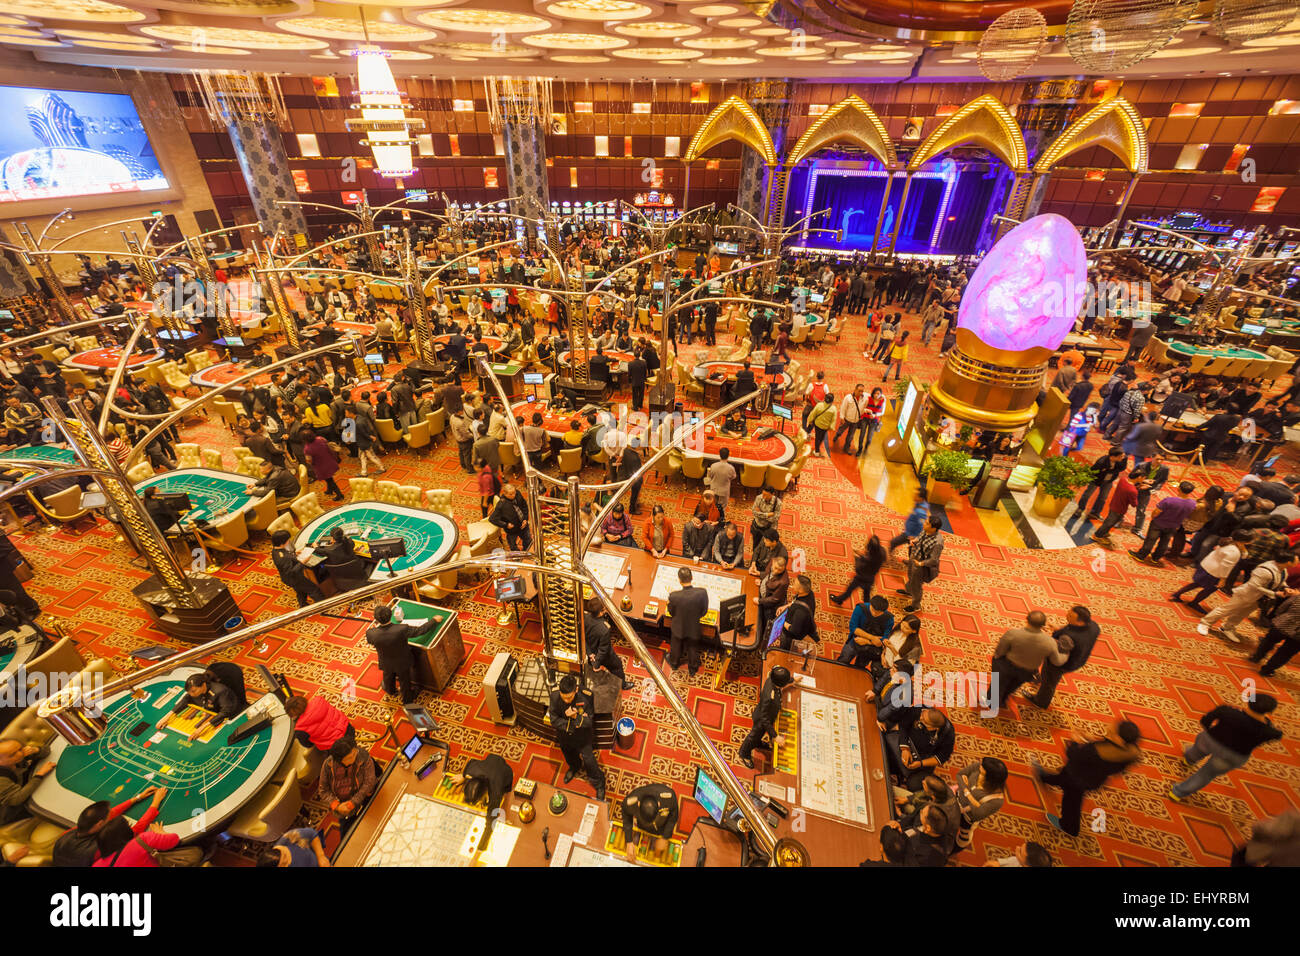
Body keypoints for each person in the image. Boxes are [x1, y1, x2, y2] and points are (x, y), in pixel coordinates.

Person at [1032, 719, 1142, 836]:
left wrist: (1074, 741)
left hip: (1078, 779)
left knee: (1071, 802)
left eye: (1115, 729)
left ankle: (1069, 827)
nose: (1111, 725)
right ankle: (1045, 777)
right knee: (1063, 778)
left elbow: (1073, 755)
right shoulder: (1130, 751)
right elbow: (1110, 748)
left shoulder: (1098, 752)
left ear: (1119, 739)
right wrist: (1090, 739)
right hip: (1093, 778)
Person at [1169, 695, 1282, 801]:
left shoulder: (1227, 711)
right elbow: (1276, 735)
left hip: (1210, 740)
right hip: (1234, 755)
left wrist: (1209, 731)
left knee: (1196, 750)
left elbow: (1205, 721)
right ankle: (1177, 793)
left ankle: (1188, 760)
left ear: (1249, 702)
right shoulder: (1269, 732)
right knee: (1205, 775)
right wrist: (1267, 724)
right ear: (1269, 712)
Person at [50, 787, 166, 867]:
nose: (112, 813)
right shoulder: (101, 847)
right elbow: (135, 831)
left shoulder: (72, 832)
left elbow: (111, 813)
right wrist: (155, 803)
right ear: (100, 824)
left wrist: (137, 798)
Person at [1197, 552, 1295, 644]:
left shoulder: (1283, 569)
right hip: (1246, 594)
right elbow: (1254, 585)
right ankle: (1205, 623)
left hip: (1259, 598)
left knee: (1242, 613)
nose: (1298, 561)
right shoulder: (1265, 570)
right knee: (1227, 610)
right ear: (1288, 562)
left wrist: (1285, 587)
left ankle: (1228, 627)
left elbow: (1280, 580)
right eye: (1296, 559)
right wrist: (1275, 593)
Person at [989, 610, 1071, 718]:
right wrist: (1067, 653)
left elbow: (1000, 651)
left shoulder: (1013, 633)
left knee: (998, 683)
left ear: (1027, 620)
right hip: (1026, 671)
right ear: (1043, 625)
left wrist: (997, 659)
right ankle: (1003, 699)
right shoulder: (1050, 642)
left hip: (1007, 666)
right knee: (1012, 685)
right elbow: (1057, 661)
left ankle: (992, 702)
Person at [1022, 605, 1099, 709]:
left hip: (1061, 663)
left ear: (1080, 621)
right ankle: (1039, 679)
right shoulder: (1094, 626)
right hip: (1080, 658)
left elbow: (1058, 650)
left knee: (1049, 681)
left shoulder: (1069, 637)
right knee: (1048, 677)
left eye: (1070, 616)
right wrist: (1060, 629)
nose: (1067, 615)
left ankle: (1040, 702)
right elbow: (1073, 631)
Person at [365, 603, 440, 704]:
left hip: (385, 661)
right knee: (404, 680)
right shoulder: (402, 629)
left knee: (388, 675)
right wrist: (434, 620)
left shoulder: (370, 633)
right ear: (390, 615)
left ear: (376, 619)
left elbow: (371, 642)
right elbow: (420, 631)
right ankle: (407, 699)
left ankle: (390, 690)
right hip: (402, 661)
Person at [548, 674, 605, 799]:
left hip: (583, 737)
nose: (566, 701)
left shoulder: (586, 696)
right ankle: (575, 767)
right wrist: (571, 726)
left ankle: (599, 783)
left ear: (576, 690)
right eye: (564, 697)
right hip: (564, 735)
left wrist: (575, 717)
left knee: (590, 761)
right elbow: (553, 719)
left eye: (569, 697)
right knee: (569, 755)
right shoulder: (555, 696)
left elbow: (589, 721)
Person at [1169, 530, 1249, 613]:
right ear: (1244, 541)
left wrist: (1242, 548)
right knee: (1209, 590)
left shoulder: (1227, 541)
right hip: (1214, 572)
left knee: (1196, 584)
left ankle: (1177, 594)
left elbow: (1243, 556)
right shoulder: (1234, 551)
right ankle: (1194, 603)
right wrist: (1223, 579)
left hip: (1206, 565)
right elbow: (1226, 566)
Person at [156, 671, 243, 738]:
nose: (191, 694)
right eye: (189, 692)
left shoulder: (220, 691)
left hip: (231, 715)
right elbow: (186, 700)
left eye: (193, 691)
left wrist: (203, 727)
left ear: (203, 685)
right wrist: (167, 716)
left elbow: (226, 712)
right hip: (210, 711)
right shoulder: (194, 691)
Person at [318, 738, 378, 834]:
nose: (355, 757)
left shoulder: (363, 757)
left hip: (366, 796)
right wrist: (336, 805)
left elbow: (369, 783)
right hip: (344, 804)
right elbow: (323, 790)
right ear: (339, 760)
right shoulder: (328, 765)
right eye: (350, 757)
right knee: (348, 835)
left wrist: (353, 802)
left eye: (355, 753)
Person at [886, 707, 955, 790]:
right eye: (922, 715)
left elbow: (941, 757)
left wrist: (920, 763)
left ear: (932, 728)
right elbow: (903, 725)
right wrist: (905, 749)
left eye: (923, 721)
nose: (920, 718)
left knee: (914, 785)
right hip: (906, 742)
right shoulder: (921, 710)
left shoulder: (948, 734)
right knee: (884, 753)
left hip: (922, 759)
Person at [738, 665, 793, 769]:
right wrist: (775, 736)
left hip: (767, 716)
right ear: (781, 684)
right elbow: (764, 718)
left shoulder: (772, 679)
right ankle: (744, 753)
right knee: (753, 737)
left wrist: (793, 680)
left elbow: (780, 679)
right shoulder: (769, 696)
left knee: (758, 737)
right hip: (761, 720)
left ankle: (757, 743)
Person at [1130, 480, 1198, 563]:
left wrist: (1153, 518)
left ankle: (1141, 556)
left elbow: (1156, 512)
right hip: (1174, 526)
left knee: (1150, 540)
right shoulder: (1192, 503)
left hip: (1159, 523)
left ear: (1179, 489)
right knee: (1164, 542)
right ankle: (1156, 558)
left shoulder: (1169, 500)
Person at [953, 757, 1009, 850]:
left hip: (967, 818)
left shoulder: (997, 800)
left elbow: (976, 814)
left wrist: (965, 789)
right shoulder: (978, 767)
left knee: (964, 837)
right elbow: (959, 775)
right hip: (956, 800)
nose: (980, 765)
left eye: (983, 767)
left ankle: (956, 848)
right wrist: (969, 793)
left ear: (989, 775)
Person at [667, 566, 709, 675]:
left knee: (675, 646)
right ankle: (693, 669)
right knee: (693, 648)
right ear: (692, 577)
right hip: (693, 627)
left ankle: (674, 663)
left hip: (678, 627)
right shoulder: (702, 593)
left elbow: (671, 613)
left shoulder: (673, 596)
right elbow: (704, 611)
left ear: (679, 580)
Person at [0, 739, 53, 825]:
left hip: (23, 787)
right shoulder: (1, 779)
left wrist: (36, 750)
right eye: (12, 754)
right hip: (10, 812)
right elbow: (16, 799)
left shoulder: (19, 755)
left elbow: (47, 751)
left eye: (20, 749)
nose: (20, 754)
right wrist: (40, 774)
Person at [1250, 587, 1300, 676]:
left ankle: (1256, 657)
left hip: (1282, 624)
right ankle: (1267, 670)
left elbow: (1282, 608)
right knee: (1286, 653)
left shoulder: (1298, 597)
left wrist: (1280, 617)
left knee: (1268, 641)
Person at [620, 783, 679, 858]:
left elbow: (673, 817)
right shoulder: (631, 801)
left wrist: (665, 837)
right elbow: (626, 814)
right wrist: (629, 841)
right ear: (638, 804)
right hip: (642, 825)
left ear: (659, 804)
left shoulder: (669, 798)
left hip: (661, 825)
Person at [900, 515, 943, 613]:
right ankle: (909, 591)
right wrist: (914, 542)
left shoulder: (937, 543)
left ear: (933, 528)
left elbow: (934, 560)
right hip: (914, 557)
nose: (924, 523)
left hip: (921, 565)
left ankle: (915, 605)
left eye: (927, 523)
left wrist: (920, 564)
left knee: (917, 585)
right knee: (910, 576)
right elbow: (920, 537)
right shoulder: (926, 530)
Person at [284, 694, 355, 754]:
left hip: (338, 746)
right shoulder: (319, 700)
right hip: (348, 728)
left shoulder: (300, 729)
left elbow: (308, 745)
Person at [837, 594, 894, 668]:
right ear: (870, 604)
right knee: (843, 659)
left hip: (871, 648)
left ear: (884, 611)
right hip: (855, 640)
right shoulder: (860, 608)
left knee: (860, 667)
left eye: (878, 612)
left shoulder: (889, 619)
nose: (874, 614)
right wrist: (873, 638)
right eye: (873, 610)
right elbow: (853, 628)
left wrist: (867, 641)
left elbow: (884, 639)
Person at [270, 529, 323, 607]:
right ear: (282, 543)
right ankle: (322, 606)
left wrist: (294, 554)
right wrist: (303, 562)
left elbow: (287, 556)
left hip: (289, 578)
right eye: (287, 540)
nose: (288, 541)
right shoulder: (283, 557)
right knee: (314, 590)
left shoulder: (276, 550)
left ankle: (303, 605)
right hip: (294, 578)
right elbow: (292, 571)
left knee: (300, 591)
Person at [830, 534, 885, 606]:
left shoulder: (867, 561)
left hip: (861, 577)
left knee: (849, 590)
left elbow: (858, 569)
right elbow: (871, 558)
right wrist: (862, 555)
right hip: (871, 578)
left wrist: (857, 558)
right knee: (866, 595)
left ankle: (839, 600)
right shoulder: (881, 553)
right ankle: (867, 609)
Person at [1077, 445, 1128, 520]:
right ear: (1113, 456)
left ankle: (1095, 512)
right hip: (1096, 479)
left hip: (1108, 481)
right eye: (1121, 456)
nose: (1123, 457)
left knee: (1103, 497)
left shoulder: (1123, 459)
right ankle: (1080, 509)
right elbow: (1092, 471)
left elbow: (1123, 468)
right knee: (1087, 495)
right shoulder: (1101, 462)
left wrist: (1111, 471)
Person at [754, 554, 789, 643]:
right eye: (775, 567)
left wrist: (759, 601)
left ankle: (763, 640)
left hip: (770, 606)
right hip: (764, 594)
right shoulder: (772, 561)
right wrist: (762, 581)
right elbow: (768, 574)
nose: (776, 571)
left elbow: (774, 599)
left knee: (767, 624)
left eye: (779, 570)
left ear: (784, 568)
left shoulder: (783, 582)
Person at [301, 427, 343, 500]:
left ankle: (339, 495)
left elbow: (309, 461)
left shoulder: (307, 449)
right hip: (330, 460)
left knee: (330, 480)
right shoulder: (320, 438)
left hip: (321, 466)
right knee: (329, 478)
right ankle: (329, 490)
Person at [256, 827, 331, 867]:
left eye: (285, 857)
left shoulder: (290, 838)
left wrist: (321, 856)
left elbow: (311, 834)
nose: (288, 862)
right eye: (283, 865)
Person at [489, 482, 531, 551]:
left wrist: (525, 519)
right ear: (505, 493)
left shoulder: (518, 494)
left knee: (528, 541)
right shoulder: (501, 505)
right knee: (513, 546)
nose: (514, 495)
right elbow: (492, 519)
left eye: (514, 492)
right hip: (512, 530)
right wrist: (506, 524)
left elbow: (524, 506)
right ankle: (518, 558)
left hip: (523, 525)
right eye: (511, 494)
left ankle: (526, 553)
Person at [833, 384, 865, 453]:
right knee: (841, 430)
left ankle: (846, 448)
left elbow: (862, 408)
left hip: (855, 421)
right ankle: (837, 435)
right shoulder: (848, 398)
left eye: (862, 391)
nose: (861, 393)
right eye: (859, 391)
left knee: (850, 436)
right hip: (847, 419)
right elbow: (843, 408)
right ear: (855, 390)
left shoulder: (864, 399)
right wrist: (842, 417)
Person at [749, 485, 781, 551]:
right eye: (763, 494)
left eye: (766, 495)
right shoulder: (759, 498)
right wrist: (767, 515)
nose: (763, 497)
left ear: (772, 494)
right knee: (755, 545)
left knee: (766, 547)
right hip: (758, 526)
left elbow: (775, 518)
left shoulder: (778, 503)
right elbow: (754, 512)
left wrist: (760, 513)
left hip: (769, 529)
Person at [706, 448, 737, 513]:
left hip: (714, 489)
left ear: (719, 455)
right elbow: (733, 477)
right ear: (728, 456)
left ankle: (713, 517)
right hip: (724, 491)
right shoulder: (731, 468)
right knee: (722, 508)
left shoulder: (713, 466)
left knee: (713, 505)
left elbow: (710, 476)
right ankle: (720, 520)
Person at [983, 841, 1053, 867]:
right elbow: (1013, 861)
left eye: (1020, 852)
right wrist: (998, 863)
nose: (1017, 847)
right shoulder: (1020, 861)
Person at [808, 390, 836, 456]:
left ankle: (817, 451)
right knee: (821, 437)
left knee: (817, 437)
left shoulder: (819, 405)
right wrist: (831, 428)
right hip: (826, 427)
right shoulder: (833, 409)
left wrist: (810, 421)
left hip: (818, 424)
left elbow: (813, 414)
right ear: (832, 401)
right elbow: (833, 420)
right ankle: (817, 450)